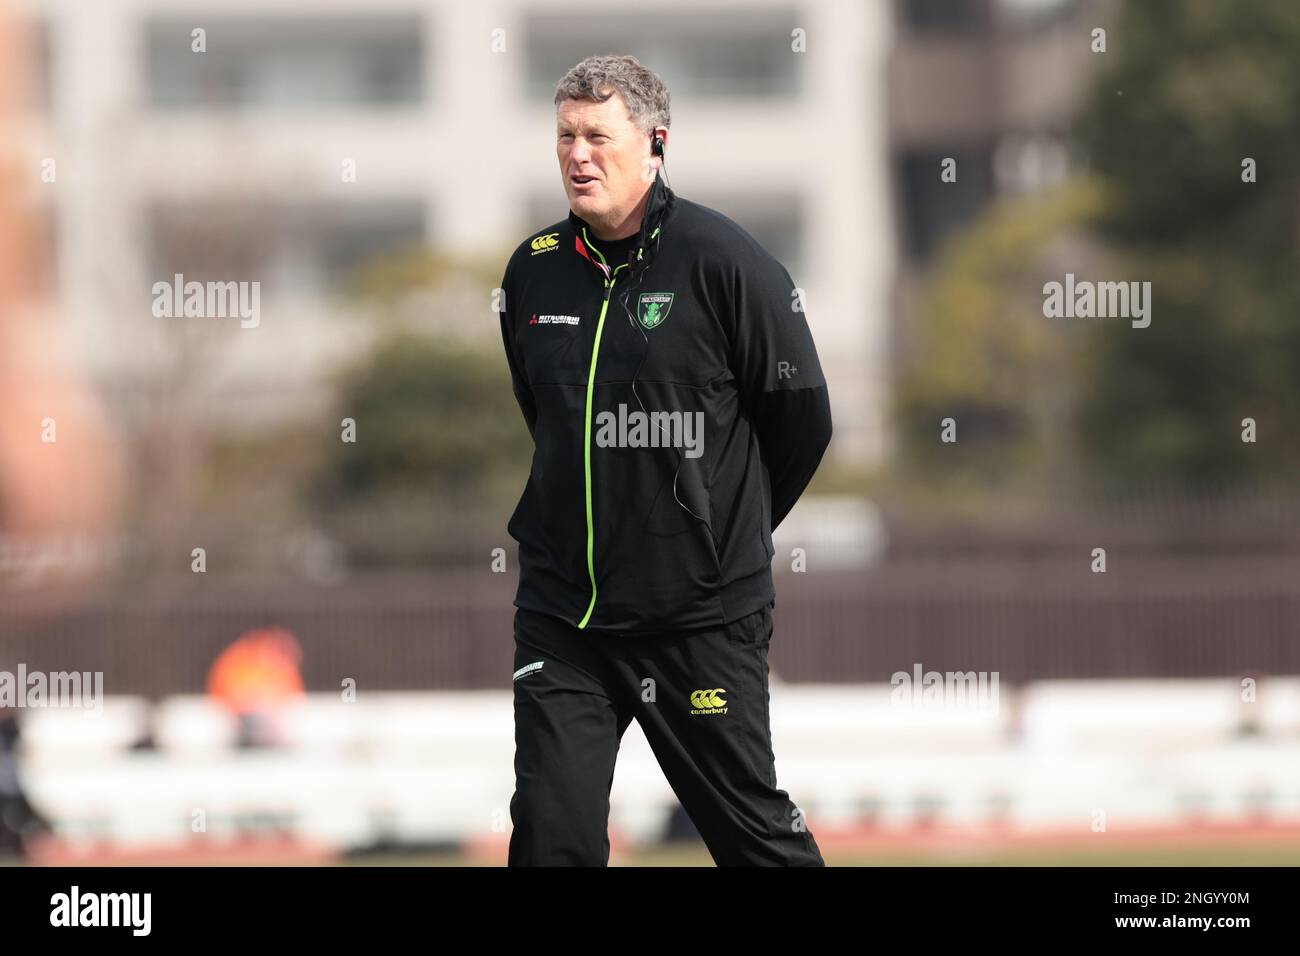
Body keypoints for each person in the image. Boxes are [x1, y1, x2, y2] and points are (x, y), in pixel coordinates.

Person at [498, 54, 832, 866]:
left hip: (699, 614)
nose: (578, 155)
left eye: (598, 137)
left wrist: (716, 529)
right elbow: (545, 418)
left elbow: (802, 420)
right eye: (566, 136)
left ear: (655, 143)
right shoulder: (532, 271)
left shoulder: (725, 261)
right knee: (549, 836)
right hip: (565, 614)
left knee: (754, 839)